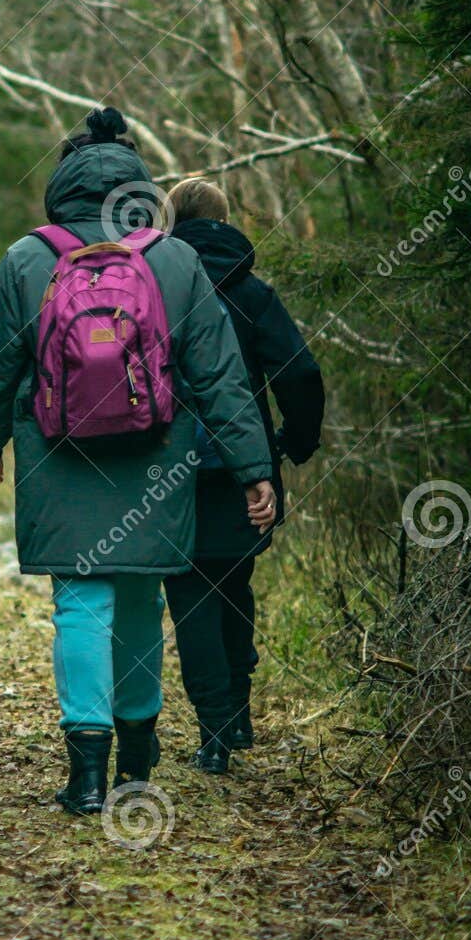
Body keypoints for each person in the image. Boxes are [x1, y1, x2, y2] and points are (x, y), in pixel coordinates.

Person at [0, 110, 275, 813]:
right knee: (139, 595)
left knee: (79, 601)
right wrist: (253, 466)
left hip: (57, 456)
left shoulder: (26, 257)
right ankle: (137, 757)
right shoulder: (172, 258)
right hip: (154, 458)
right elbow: (220, 374)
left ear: (60, 188)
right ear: (138, 188)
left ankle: (87, 776)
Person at [164, 177, 325, 763]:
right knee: (232, 584)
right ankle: (235, 718)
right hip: (245, 467)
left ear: (171, 223)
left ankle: (213, 734)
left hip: (169, 469)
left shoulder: (154, 288)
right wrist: (292, 443)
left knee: (189, 594)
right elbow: (301, 375)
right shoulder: (253, 293)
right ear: (227, 221)